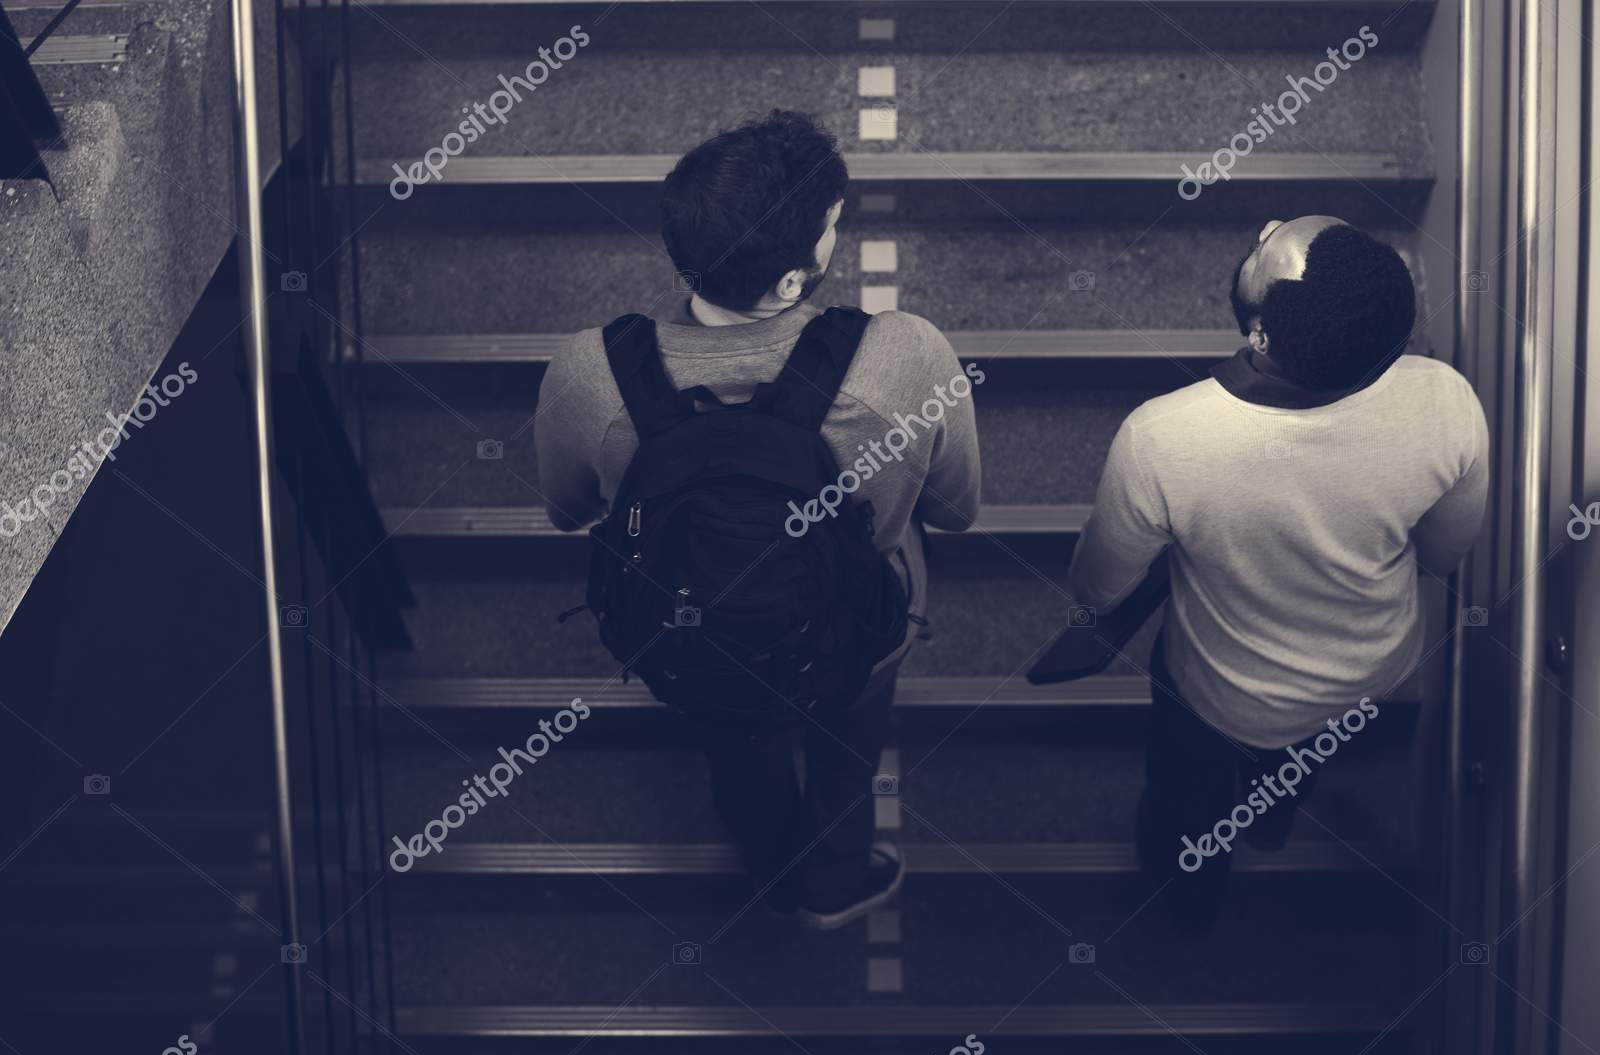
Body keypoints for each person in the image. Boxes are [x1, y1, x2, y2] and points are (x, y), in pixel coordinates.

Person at [536, 111, 981, 929]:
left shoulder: (589, 374)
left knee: (737, 741)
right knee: (848, 746)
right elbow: (956, 510)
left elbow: (571, 511)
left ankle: (769, 859)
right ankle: (834, 875)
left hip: (693, 629)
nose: (835, 240)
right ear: (789, 282)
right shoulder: (909, 357)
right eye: (831, 230)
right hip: (857, 625)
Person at [1067, 216, 1489, 930]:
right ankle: (1271, 815)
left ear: (1260, 335)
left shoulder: (1164, 436)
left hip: (1218, 689)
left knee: (1185, 794)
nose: (1262, 228)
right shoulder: (1447, 400)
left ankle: (1188, 896)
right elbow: (1441, 559)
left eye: (1266, 248)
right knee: (1300, 751)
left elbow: (1097, 588)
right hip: (1364, 672)